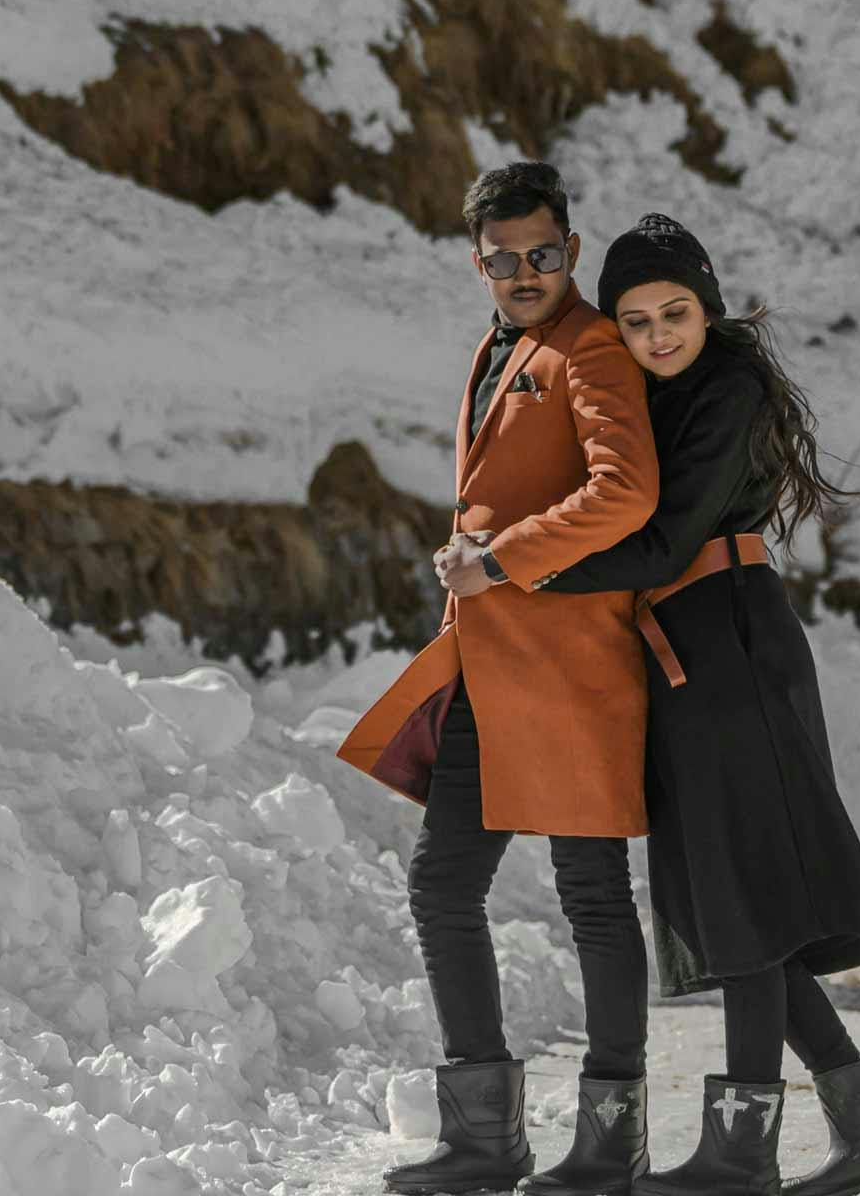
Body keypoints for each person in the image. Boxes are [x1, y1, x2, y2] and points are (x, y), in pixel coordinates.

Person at [533, 214, 860, 1196]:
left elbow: (663, 545)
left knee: (743, 907)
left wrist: (526, 569)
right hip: (689, 656)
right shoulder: (653, 399)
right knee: (739, 912)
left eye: (676, 311)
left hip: (734, 645)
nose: (660, 333)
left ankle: (739, 1155)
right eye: (636, 320)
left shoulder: (726, 389)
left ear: (707, 308)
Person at [333, 161, 668, 1195]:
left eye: (545, 254)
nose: (525, 273)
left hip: (570, 670)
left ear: (572, 247)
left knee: (594, 898)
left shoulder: (593, 347)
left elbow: (629, 491)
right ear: (477, 262)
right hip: (488, 666)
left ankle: (611, 1144)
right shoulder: (501, 344)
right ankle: (486, 1136)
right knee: (442, 885)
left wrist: (505, 557)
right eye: (504, 259)